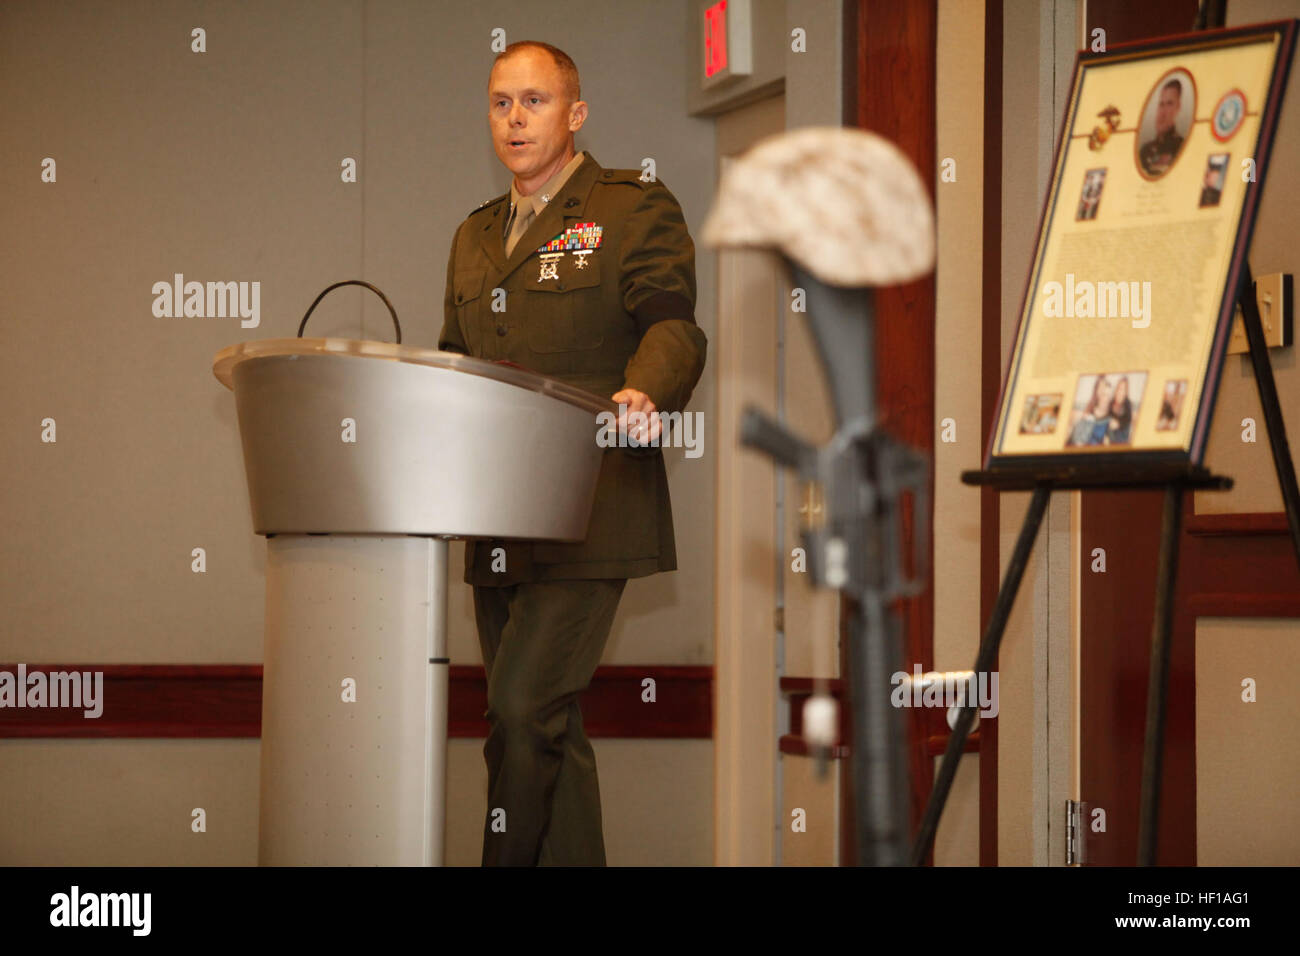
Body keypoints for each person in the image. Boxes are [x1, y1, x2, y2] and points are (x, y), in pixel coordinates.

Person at [437, 40, 707, 866]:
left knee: (523, 711)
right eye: (500, 103)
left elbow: (673, 323)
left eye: (534, 101)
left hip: (593, 503)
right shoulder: (474, 235)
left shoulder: (630, 207)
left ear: (575, 113)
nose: (514, 119)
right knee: (541, 724)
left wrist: (646, 391)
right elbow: (454, 361)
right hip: (496, 511)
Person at [1139, 79, 1185, 176]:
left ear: (1178, 108)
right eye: (1161, 104)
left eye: (1169, 104)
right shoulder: (1145, 150)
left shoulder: (1181, 147)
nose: (1163, 112)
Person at [1067, 375, 1114, 447]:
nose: (1105, 398)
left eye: (1108, 395)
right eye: (1103, 394)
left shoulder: (1110, 419)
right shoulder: (1088, 411)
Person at [1106, 375, 1133, 444]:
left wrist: (1119, 424)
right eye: (1119, 388)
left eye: (1123, 389)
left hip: (1121, 435)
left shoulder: (1127, 403)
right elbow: (1107, 416)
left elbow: (1128, 419)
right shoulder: (1111, 402)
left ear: (1126, 392)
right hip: (1111, 433)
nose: (1120, 391)